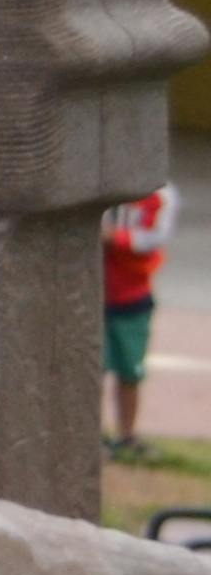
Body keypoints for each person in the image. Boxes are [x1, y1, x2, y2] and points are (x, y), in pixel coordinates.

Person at [112, 179, 178, 461]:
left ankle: (126, 435)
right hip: (96, 291)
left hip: (133, 293)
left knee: (130, 370)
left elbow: (156, 236)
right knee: (88, 369)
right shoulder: (105, 183)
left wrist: (115, 238)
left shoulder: (160, 194)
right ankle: (86, 435)